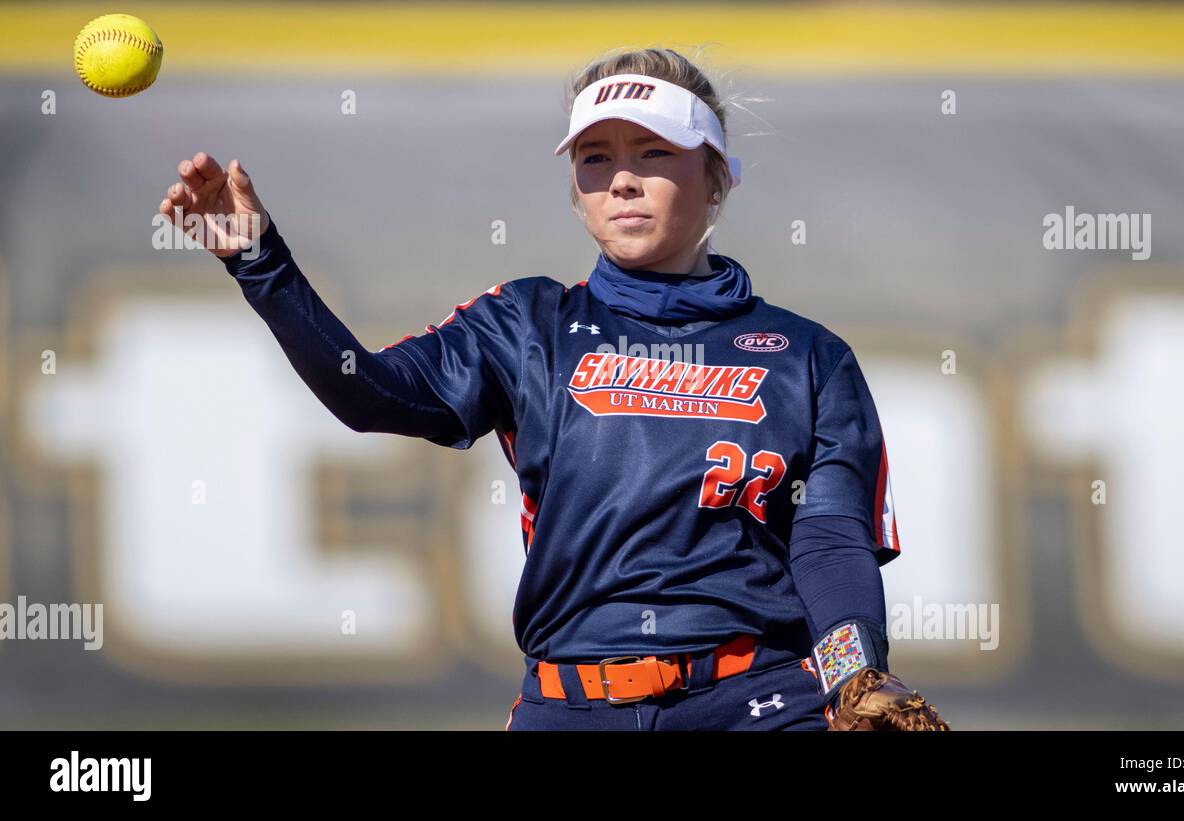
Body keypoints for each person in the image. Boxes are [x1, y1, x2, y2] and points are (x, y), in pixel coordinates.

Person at [157, 47, 927, 731]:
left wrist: (856, 675)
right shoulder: (529, 324)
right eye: (594, 158)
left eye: (653, 152)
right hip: (571, 703)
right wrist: (261, 262)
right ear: (574, 189)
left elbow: (828, 539)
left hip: (756, 700)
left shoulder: (807, 355)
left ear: (718, 175)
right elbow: (371, 393)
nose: (621, 178)